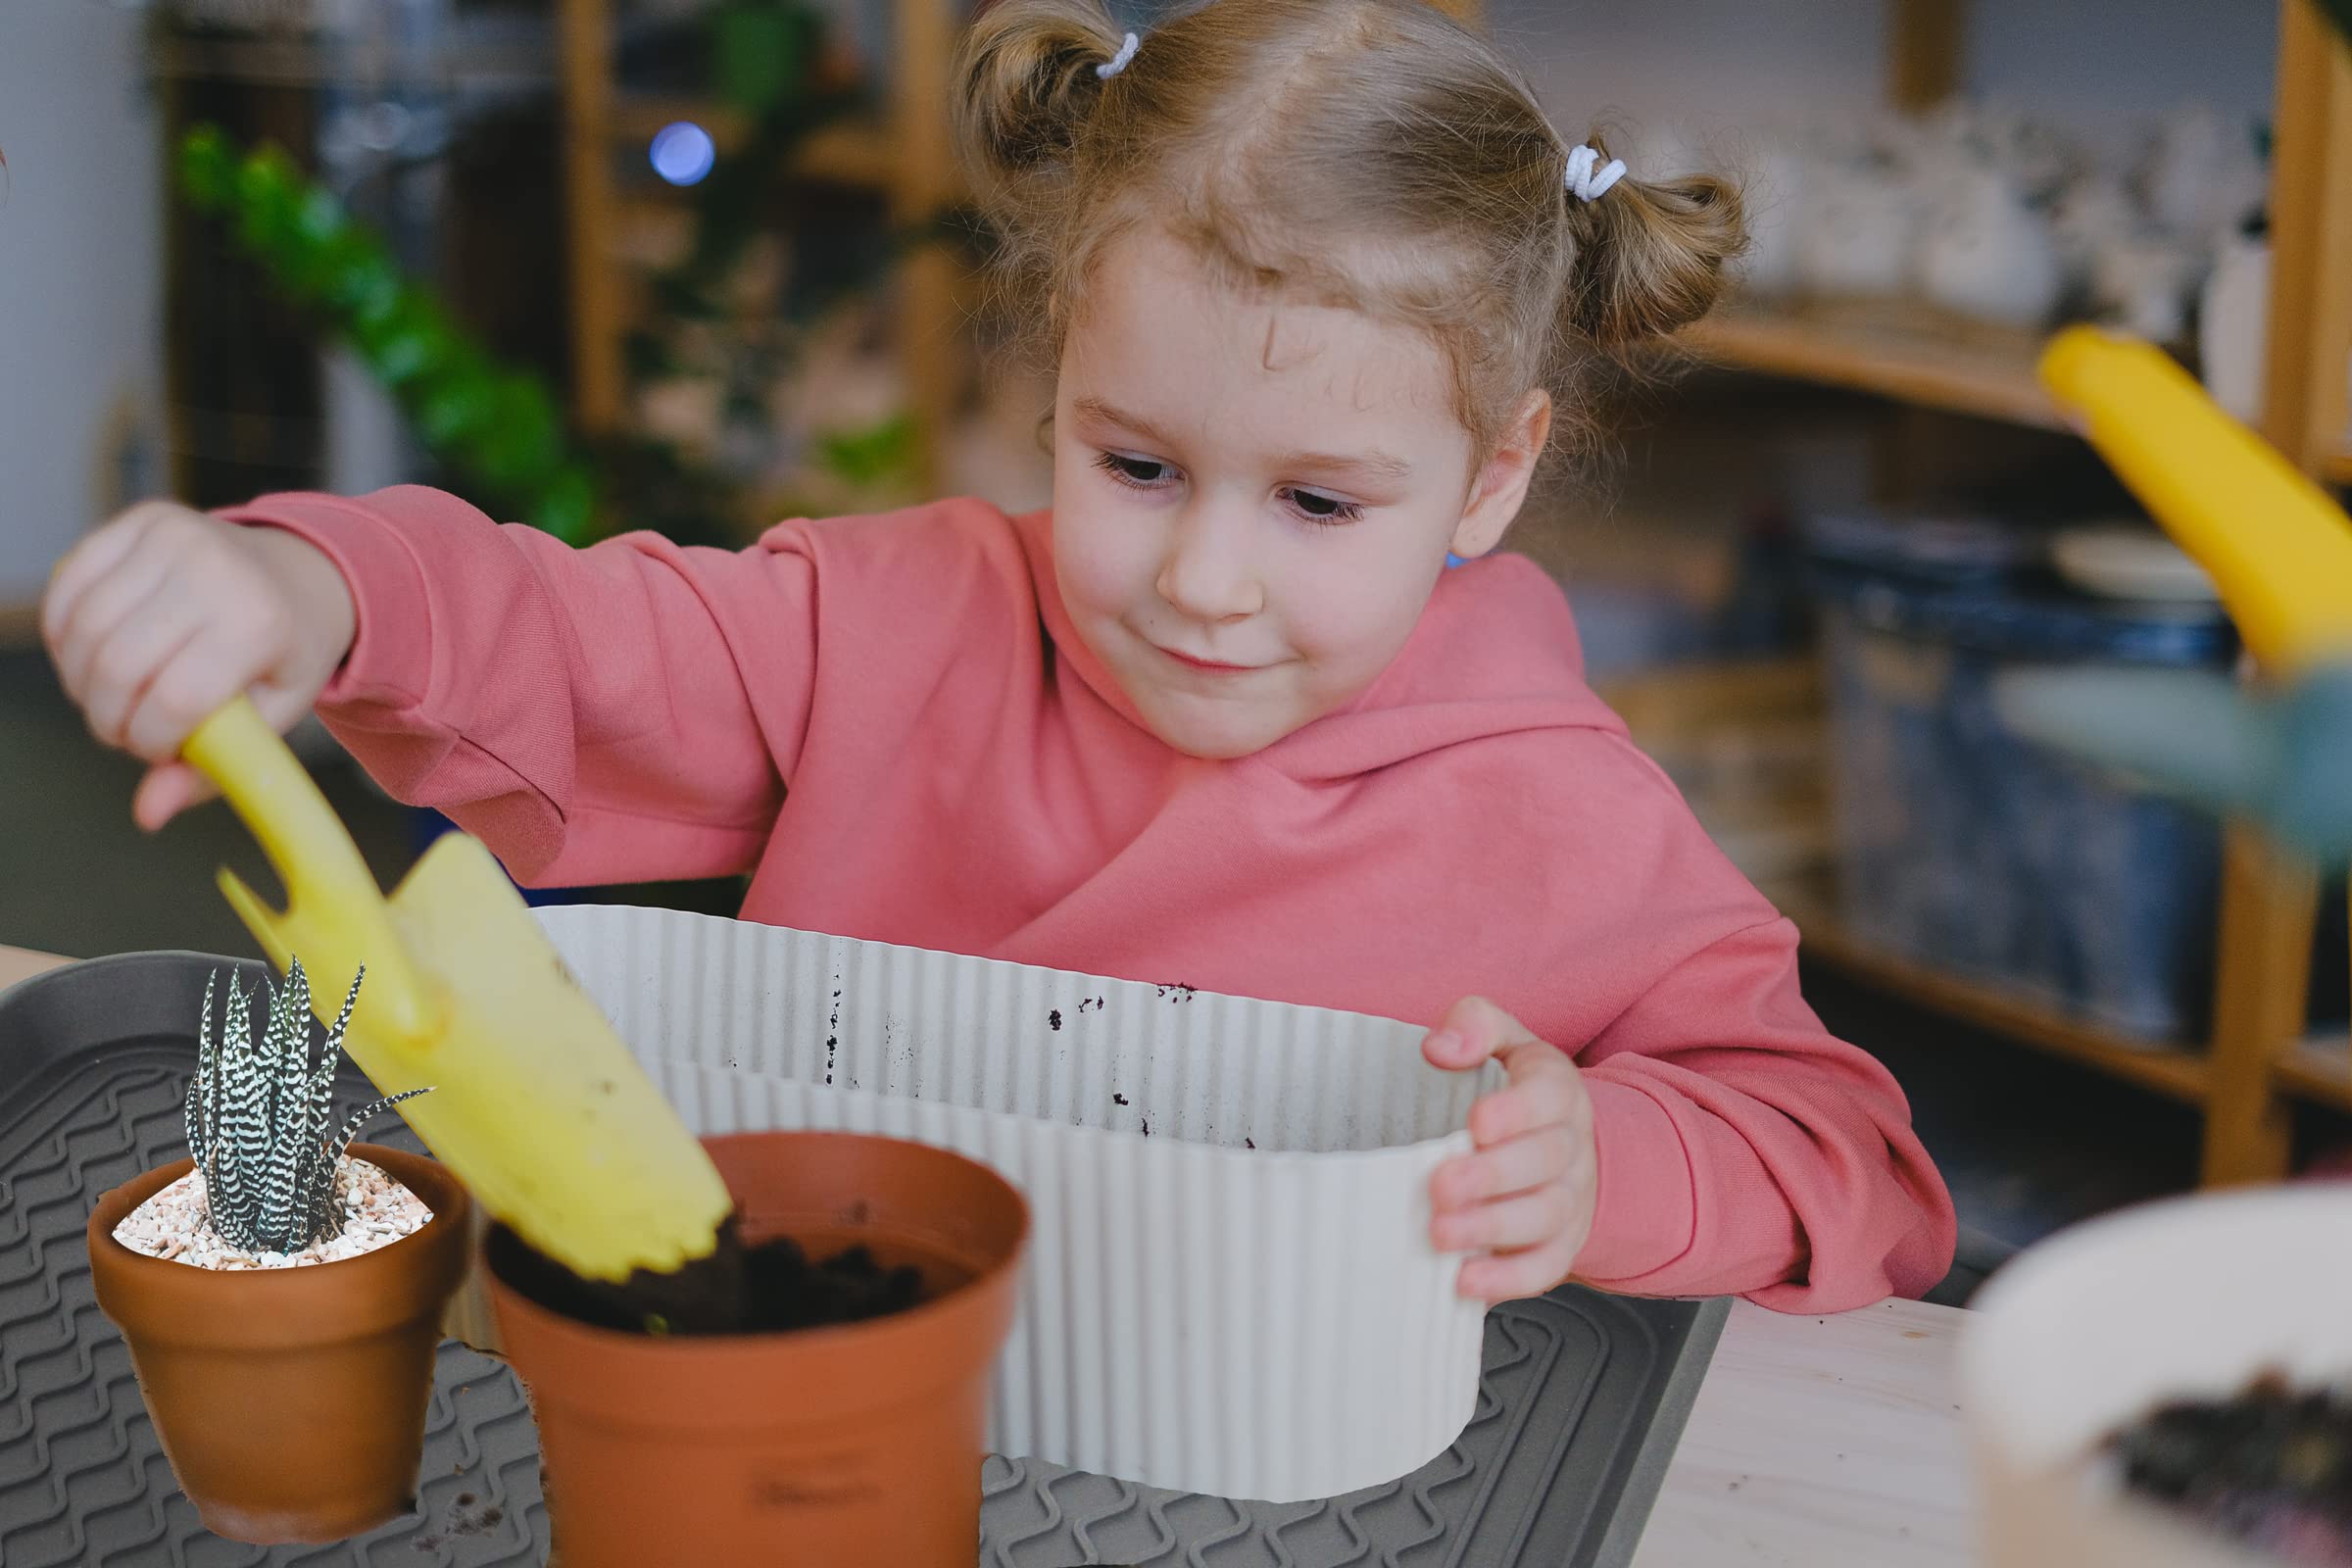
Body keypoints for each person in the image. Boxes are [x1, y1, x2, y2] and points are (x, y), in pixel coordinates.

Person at [42, 0, 1952, 1312]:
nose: (1203, 578)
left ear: (1493, 477)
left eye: (1316, 504)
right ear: (1054, 383)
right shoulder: (897, 619)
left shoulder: (1559, 808)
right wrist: (316, 596)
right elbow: (570, 626)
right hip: (824, 1377)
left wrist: (1612, 1162)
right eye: (1135, 463)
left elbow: (1853, 1159)